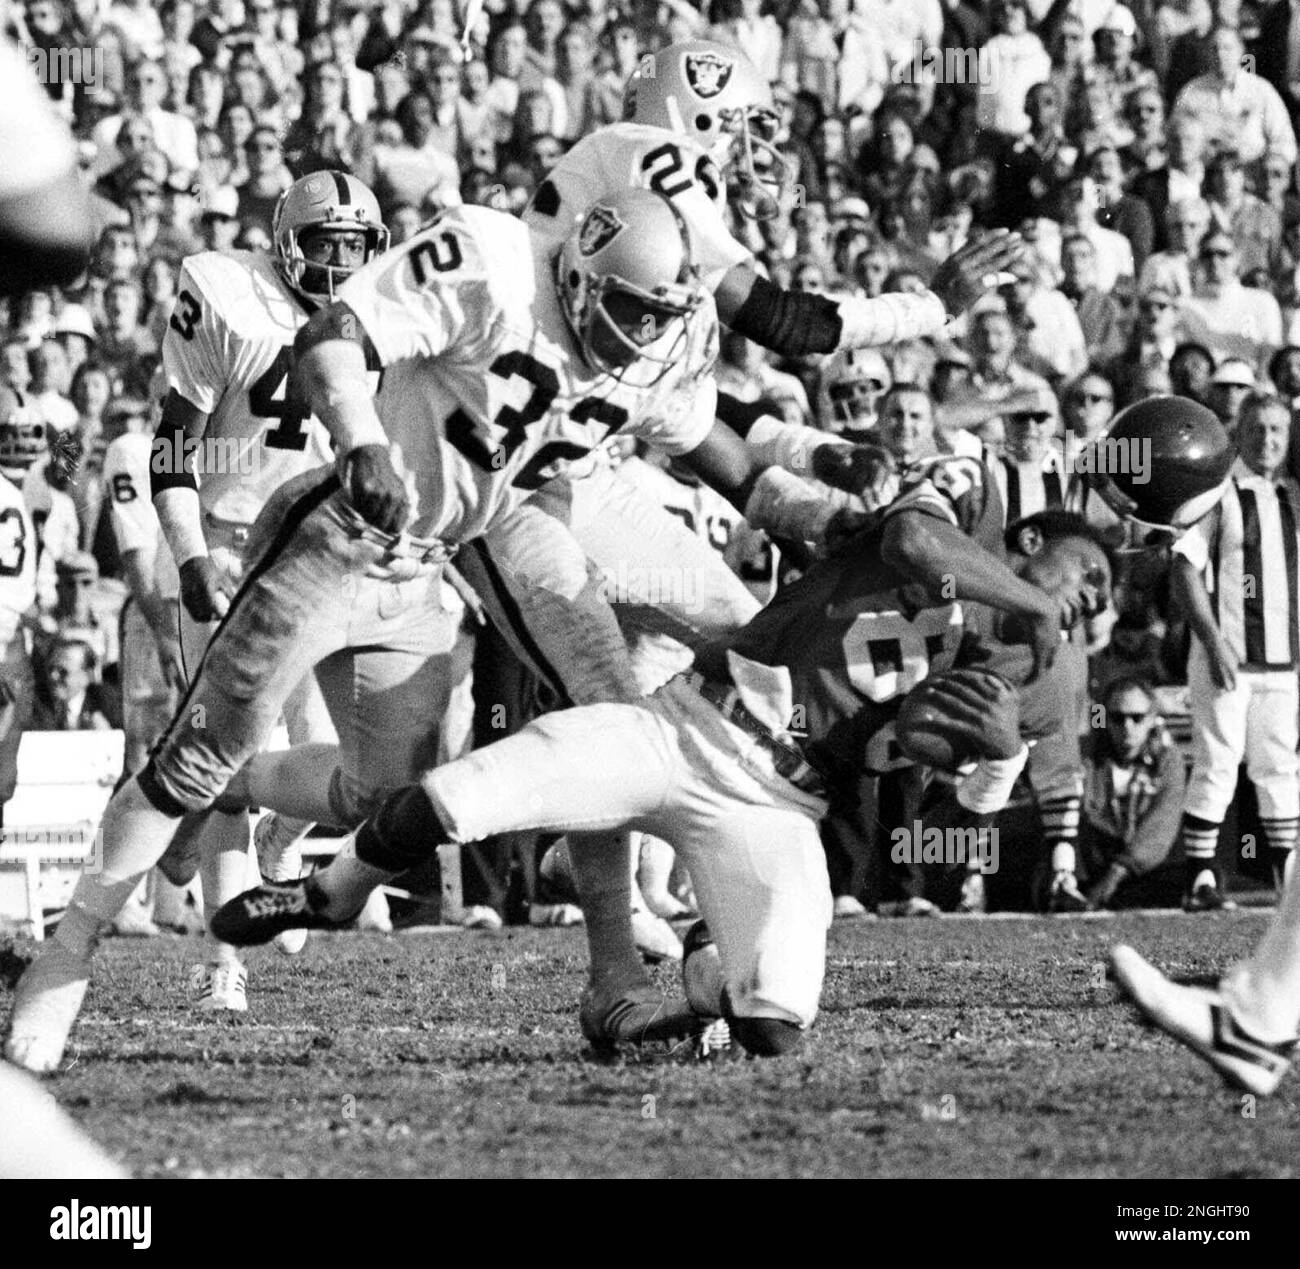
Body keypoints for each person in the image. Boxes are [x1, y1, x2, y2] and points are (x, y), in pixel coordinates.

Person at [213, 501, 1117, 1057]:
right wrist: (1028, 601)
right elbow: (914, 535)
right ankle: (328, 895)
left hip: (781, 801)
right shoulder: (950, 528)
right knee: (452, 798)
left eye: (1104, 594)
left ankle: (685, 973)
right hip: (682, 723)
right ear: (1030, 542)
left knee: (773, 1023)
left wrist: (950, 746)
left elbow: (957, 794)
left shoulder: (1052, 681)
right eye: (1086, 571)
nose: (1092, 596)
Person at [1168, 392, 1300, 910]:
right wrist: (1212, 642)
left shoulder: (1293, 496)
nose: (1267, 440)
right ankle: (1200, 877)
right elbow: (1183, 568)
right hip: (1227, 655)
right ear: (1238, 435)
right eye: (1258, 429)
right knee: (1217, 764)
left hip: (1285, 663)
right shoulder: (1216, 494)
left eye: (1277, 431)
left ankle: (1286, 884)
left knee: (1279, 768)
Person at [1078, 676, 1186, 910]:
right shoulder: (1089, 758)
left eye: (1137, 718)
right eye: (1117, 718)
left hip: (1142, 869)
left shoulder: (1167, 759)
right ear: (1105, 719)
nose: (1127, 727)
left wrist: (1118, 872)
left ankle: (1110, 897)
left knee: (1201, 875)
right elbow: (1082, 817)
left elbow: (1162, 824)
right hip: (1095, 864)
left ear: (1151, 719)